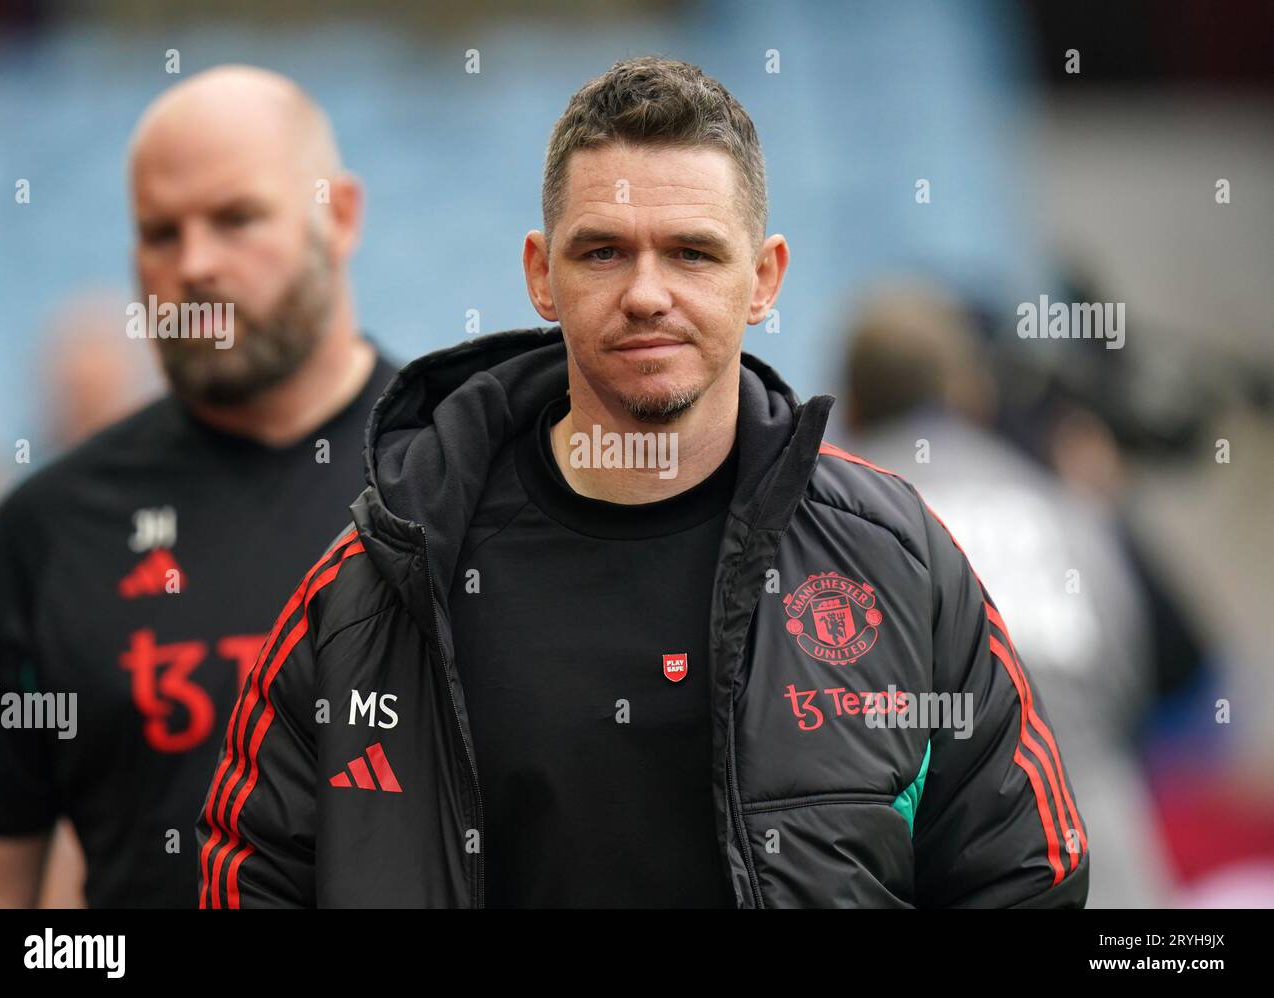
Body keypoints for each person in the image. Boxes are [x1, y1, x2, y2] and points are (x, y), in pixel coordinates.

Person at [198, 57, 1088, 908]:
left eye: (693, 253)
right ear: (541, 275)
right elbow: (249, 876)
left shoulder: (896, 561)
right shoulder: (378, 581)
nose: (647, 293)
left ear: (764, 278)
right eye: (603, 253)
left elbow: (1022, 877)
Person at [0, 65, 397, 908]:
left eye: (237, 219)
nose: (195, 264)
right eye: (160, 233)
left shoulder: (462, 477)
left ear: (339, 215)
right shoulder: (48, 532)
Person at [839, 283, 1173, 907]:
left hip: (934, 866)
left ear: (851, 406)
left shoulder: (833, 524)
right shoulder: (1063, 506)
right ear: (972, 395)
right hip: (1106, 861)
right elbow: (1133, 682)